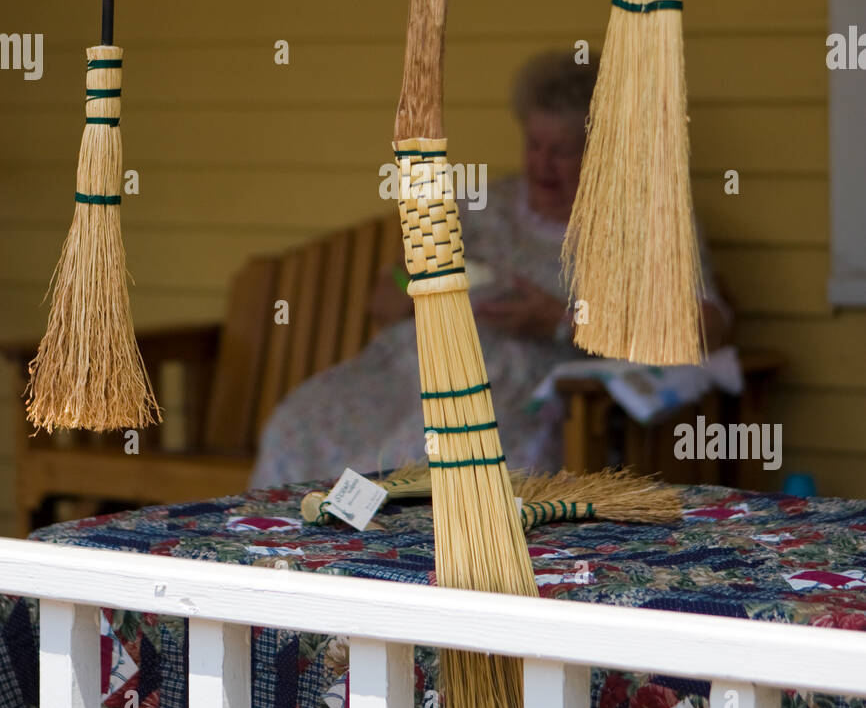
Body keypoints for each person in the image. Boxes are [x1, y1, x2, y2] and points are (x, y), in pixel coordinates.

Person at [251, 51, 732, 487]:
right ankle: (281, 565)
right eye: (533, 143)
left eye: (561, 150)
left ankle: (390, 577)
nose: (541, 164)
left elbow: (706, 326)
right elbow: (389, 290)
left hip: (530, 393)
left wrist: (563, 322)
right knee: (300, 424)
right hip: (409, 368)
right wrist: (407, 283)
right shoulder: (483, 205)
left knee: (417, 454)